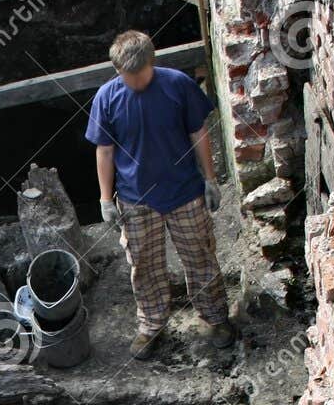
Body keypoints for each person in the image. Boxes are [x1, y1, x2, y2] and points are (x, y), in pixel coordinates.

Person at [86, 30, 233, 359]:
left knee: (200, 256)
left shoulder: (178, 85)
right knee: (144, 266)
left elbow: (198, 131)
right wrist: (105, 199)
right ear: (117, 70)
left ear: (152, 63)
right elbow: (105, 151)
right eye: (127, 76)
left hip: (184, 192)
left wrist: (210, 179)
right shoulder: (107, 98)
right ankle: (151, 324)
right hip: (136, 199)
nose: (135, 82)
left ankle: (215, 317)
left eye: (140, 74)